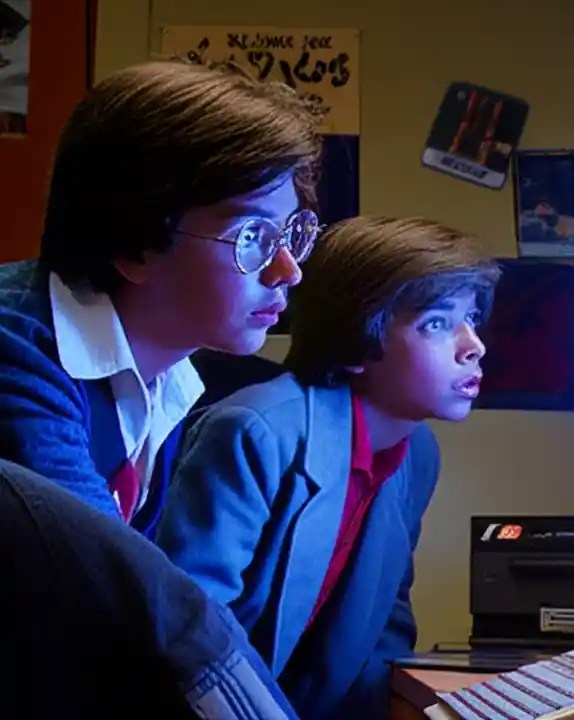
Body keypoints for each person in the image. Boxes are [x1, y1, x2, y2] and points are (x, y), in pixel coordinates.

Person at [0, 59, 321, 717]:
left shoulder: (166, 377)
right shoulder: (16, 352)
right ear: (134, 242)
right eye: (254, 236)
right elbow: (130, 607)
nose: (287, 269)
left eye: (293, 233)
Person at [157, 216, 500, 717]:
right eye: (437, 324)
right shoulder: (256, 432)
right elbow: (190, 632)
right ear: (355, 341)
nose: (474, 346)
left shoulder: (418, 453)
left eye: (471, 318)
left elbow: (385, 623)